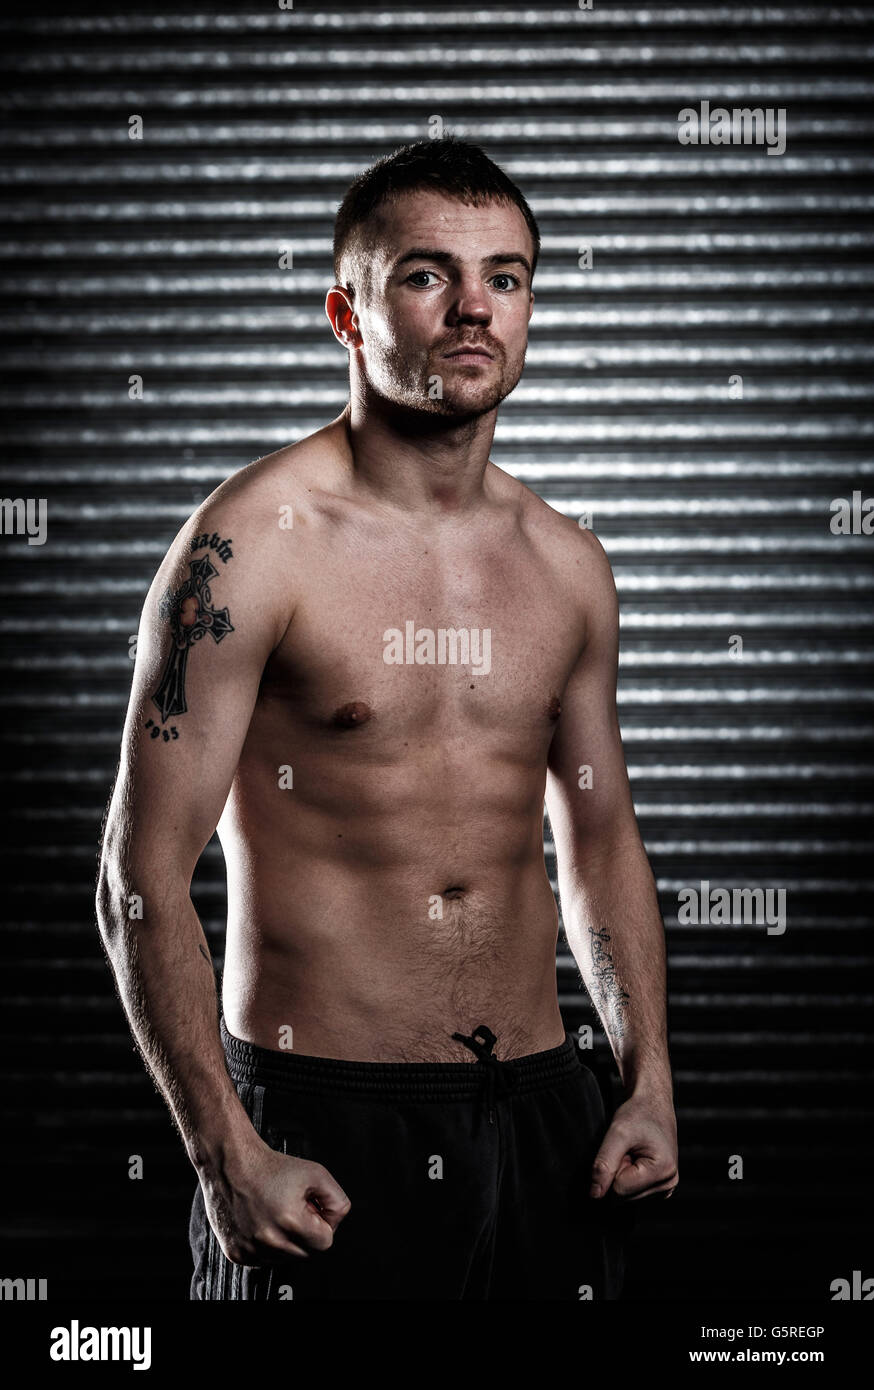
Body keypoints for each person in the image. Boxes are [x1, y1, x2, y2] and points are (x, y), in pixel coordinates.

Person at [96, 137, 678, 1301]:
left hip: (544, 1112)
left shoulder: (568, 565)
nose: (473, 307)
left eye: (504, 278)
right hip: (321, 1119)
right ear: (345, 314)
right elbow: (138, 872)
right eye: (425, 274)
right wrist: (224, 1148)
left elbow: (599, 837)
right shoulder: (248, 546)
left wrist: (645, 1076)